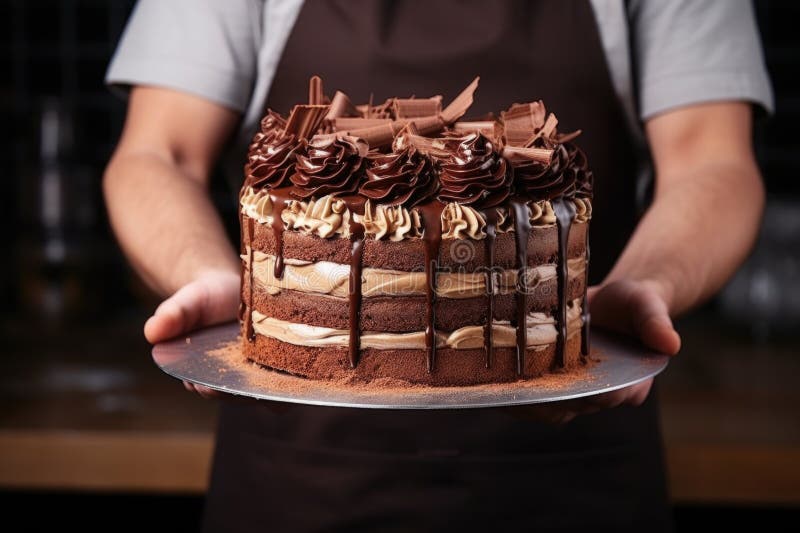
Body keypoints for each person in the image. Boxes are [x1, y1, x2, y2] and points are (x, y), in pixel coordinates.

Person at [103, 1, 772, 530]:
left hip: (577, 472)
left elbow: (713, 162)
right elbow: (158, 154)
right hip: (298, 481)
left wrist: (647, 285)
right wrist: (214, 276)